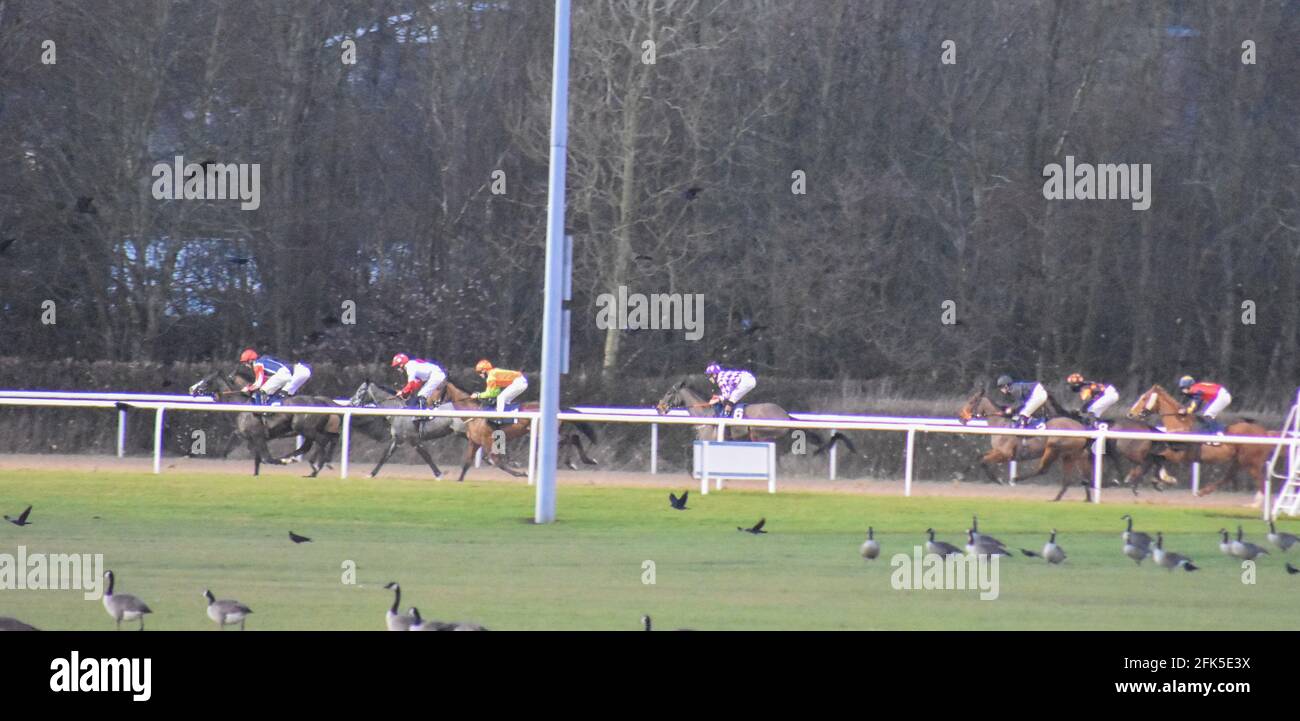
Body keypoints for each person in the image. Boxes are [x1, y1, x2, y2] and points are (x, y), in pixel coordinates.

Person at [239, 348, 311, 405]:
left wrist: (247, 388)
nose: (246, 365)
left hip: (283, 374)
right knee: (281, 393)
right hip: (292, 371)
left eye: (246, 363)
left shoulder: (257, 364)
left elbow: (258, 383)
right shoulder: (265, 359)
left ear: (251, 360)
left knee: (261, 392)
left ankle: (263, 412)